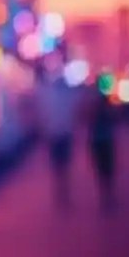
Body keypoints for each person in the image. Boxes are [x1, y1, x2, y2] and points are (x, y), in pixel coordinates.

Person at [37, 72, 76, 210]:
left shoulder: (52, 95)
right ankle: (62, 193)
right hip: (59, 135)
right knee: (60, 166)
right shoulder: (61, 95)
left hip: (59, 135)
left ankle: (62, 193)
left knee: (61, 166)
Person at [86, 81, 118, 212]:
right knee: (105, 170)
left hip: (100, 140)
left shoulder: (99, 104)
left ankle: (106, 196)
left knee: (103, 170)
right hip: (103, 140)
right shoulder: (103, 103)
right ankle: (107, 196)